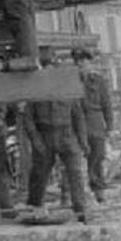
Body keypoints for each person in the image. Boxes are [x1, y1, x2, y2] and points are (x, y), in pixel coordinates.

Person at [25, 54, 89, 222]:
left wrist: (83, 141)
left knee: (75, 171)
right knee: (40, 172)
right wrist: (35, 140)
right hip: (45, 135)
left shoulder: (67, 90)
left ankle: (80, 208)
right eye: (46, 70)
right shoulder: (36, 92)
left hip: (66, 135)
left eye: (52, 70)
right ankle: (36, 206)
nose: (49, 74)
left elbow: (78, 117)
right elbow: (28, 119)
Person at [74, 49, 113, 202]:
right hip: (76, 121)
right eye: (78, 61)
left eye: (83, 61)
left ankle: (98, 189)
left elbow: (106, 104)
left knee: (98, 154)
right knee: (74, 156)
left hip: (94, 120)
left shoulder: (98, 81)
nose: (80, 64)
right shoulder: (71, 81)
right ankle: (76, 192)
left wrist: (109, 126)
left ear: (90, 63)